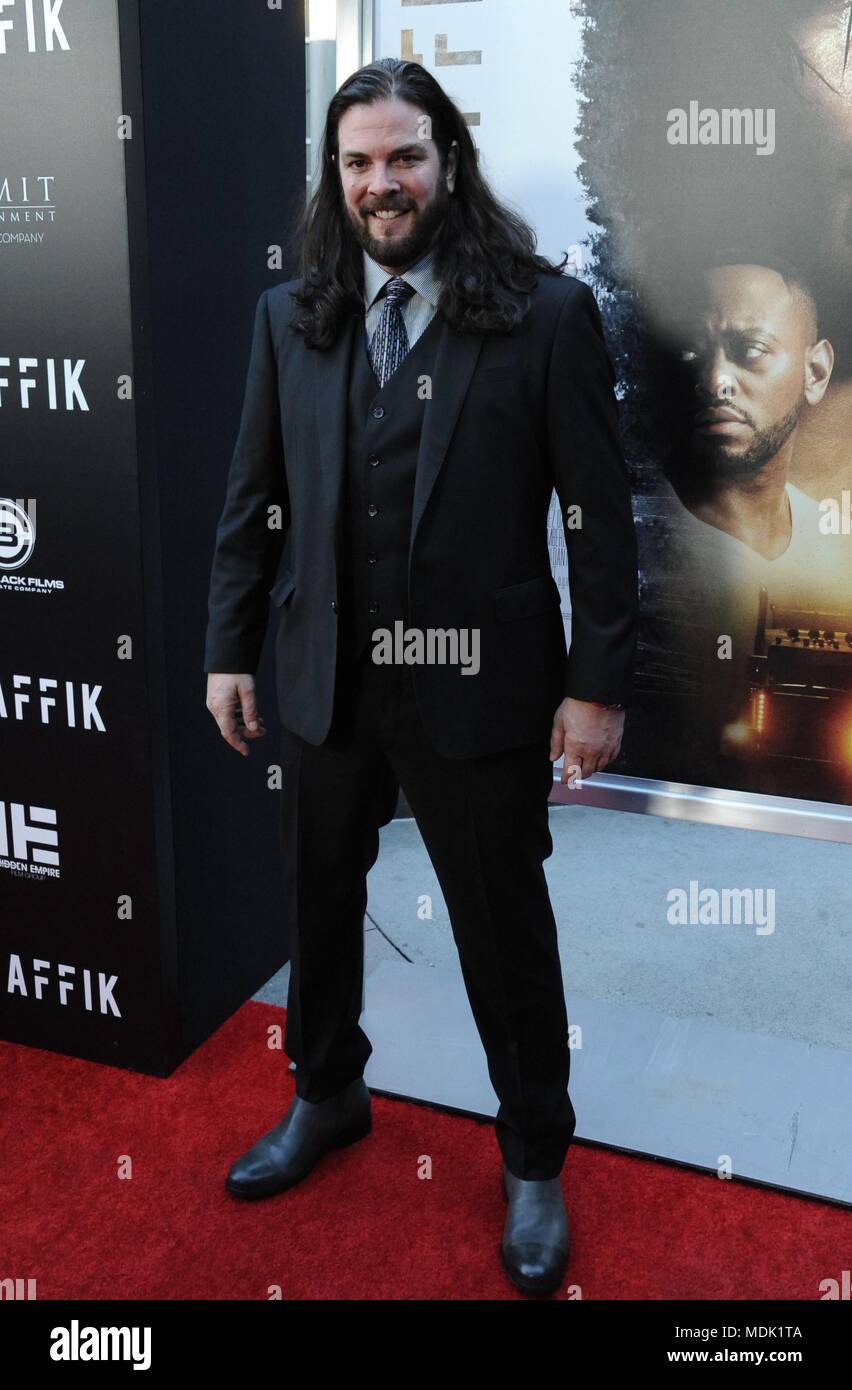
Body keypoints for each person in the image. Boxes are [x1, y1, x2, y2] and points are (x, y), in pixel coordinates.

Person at [204, 57, 638, 1297]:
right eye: (358, 164)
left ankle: (534, 1157)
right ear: (334, 180)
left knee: (506, 932)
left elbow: (602, 522)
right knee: (319, 910)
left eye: (404, 157)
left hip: (483, 689)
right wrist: (229, 647)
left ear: (448, 159)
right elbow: (254, 500)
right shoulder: (290, 317)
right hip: (329, 676)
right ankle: (328, 1093)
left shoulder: (545, 315)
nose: (381, 184)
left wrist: (596, 686)